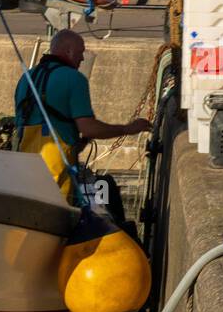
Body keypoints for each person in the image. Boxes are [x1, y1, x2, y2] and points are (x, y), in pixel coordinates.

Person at [14, 29, 151, 198]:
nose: (82, 58)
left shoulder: (26, 78)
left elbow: (41, 128)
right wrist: (128, 129)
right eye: (80, 52)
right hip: (55, 179)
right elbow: (89, 129)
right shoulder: (74, 78)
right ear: (69, 51)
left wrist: (81, 141)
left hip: (23, 175)